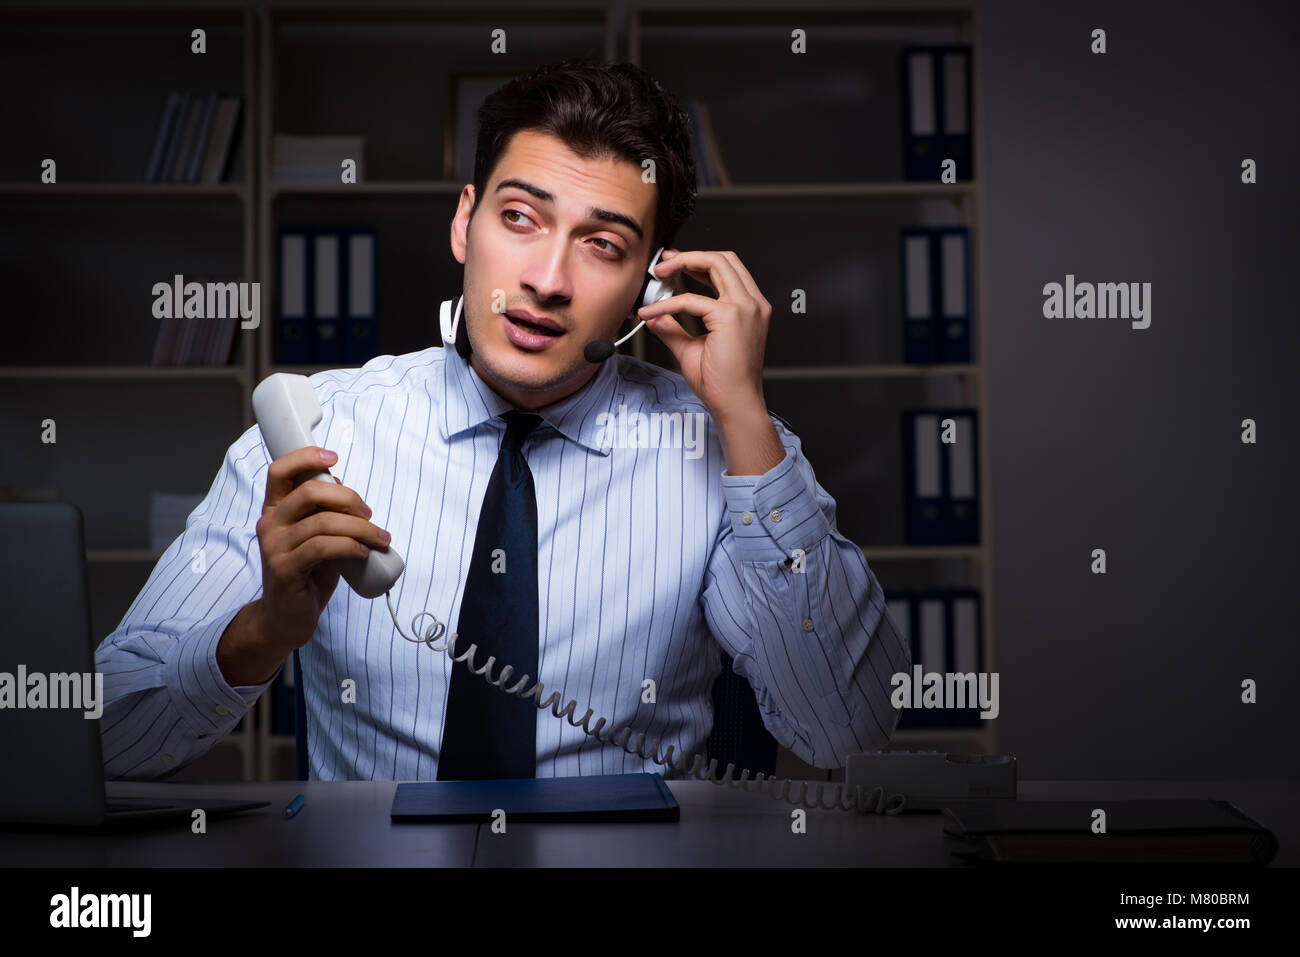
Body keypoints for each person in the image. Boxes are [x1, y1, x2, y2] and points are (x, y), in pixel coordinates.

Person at [95, 59, 909, 781]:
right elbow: (106, 740)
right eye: (520, 217)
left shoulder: (727, 449)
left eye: (603, 244)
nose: (548, 279)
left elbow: (848, 733)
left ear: (649, 288)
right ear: (464, 222)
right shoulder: (315, 433)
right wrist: (262, 633)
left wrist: (743, 415)